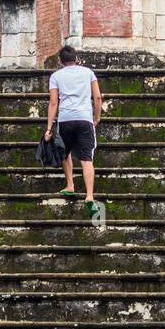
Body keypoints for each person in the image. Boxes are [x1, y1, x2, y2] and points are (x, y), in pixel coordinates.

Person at [44, 45, 102, 216]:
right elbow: (97, 97)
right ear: (76, 59)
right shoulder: (88, 73)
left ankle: (70, 184)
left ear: (61, 61)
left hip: (65, 119)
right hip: (84, 119)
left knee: (65, 152)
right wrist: (96, 117)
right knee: (86, 158)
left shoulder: (56, 76)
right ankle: (89, 195)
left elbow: (53, 103)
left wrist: (49, 127)